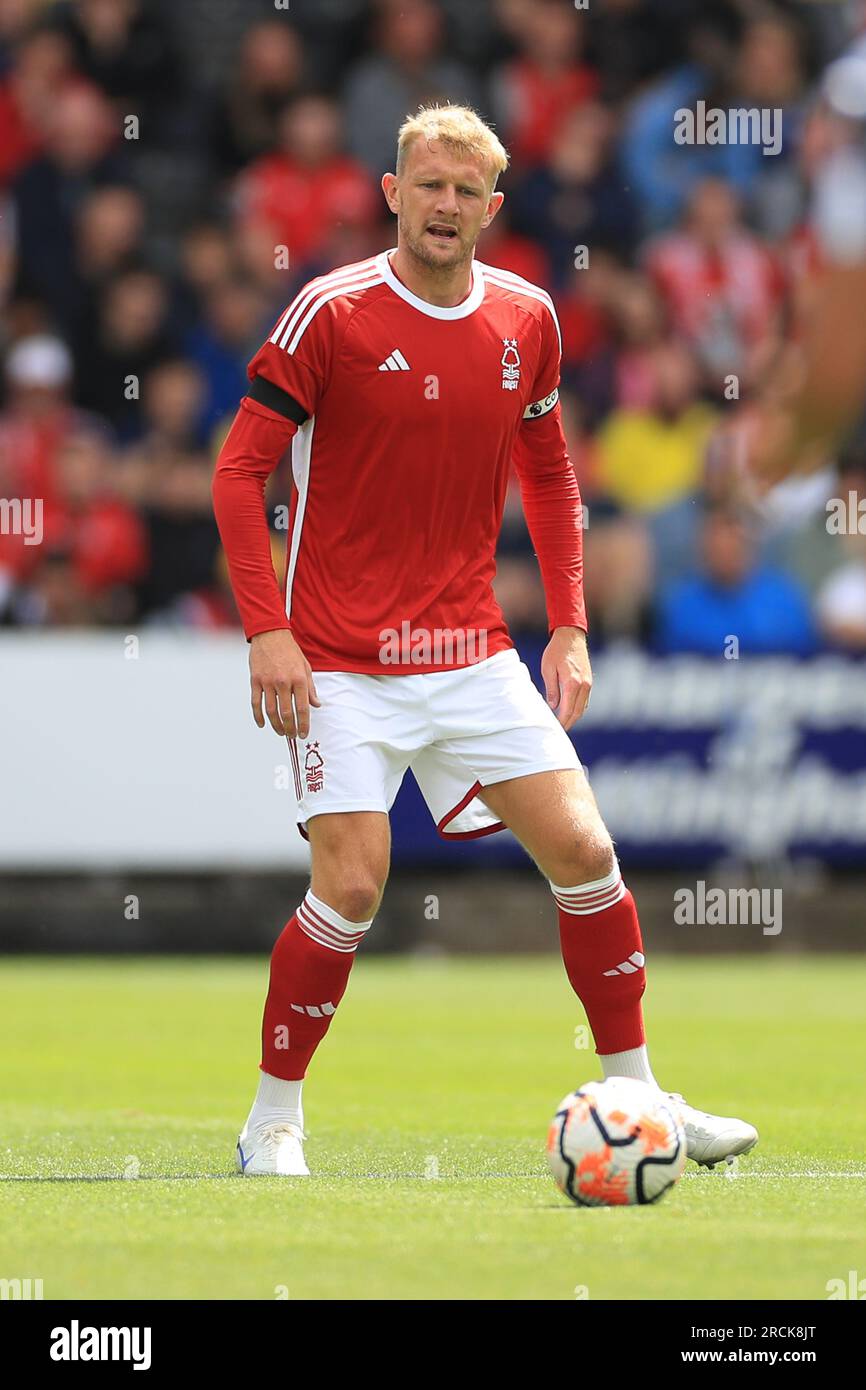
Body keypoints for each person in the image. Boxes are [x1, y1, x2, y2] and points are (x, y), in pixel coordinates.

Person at [212, 103, 757, 1180]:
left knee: (587, 852)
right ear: (392, 193)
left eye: (466, 191)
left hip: (468, 651)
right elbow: (237, 474)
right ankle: (272, 1118)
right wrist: (266, 630)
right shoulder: (328, 312)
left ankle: (640, 1096)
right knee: (355, 884)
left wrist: (569, 623)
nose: (446, 206)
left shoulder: (525, 319)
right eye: (428, 185)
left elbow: (550, 475)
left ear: (491, 208)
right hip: (337, 659)